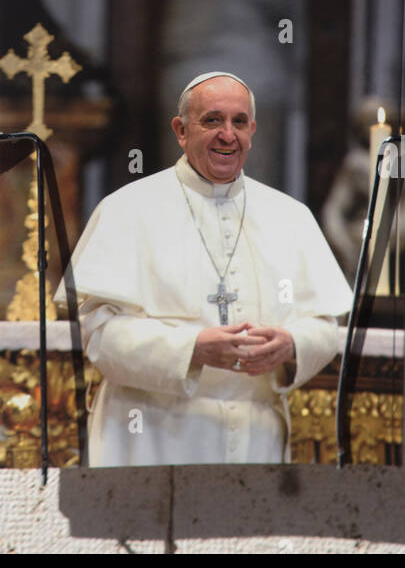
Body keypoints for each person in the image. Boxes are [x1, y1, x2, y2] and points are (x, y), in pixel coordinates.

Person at [57, 72, 353, 466]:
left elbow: (324, 326)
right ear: (181, 130)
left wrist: (292, 344)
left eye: (239, 122)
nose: (227, 135)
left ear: (253, 130)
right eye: (212, 120)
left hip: (256, 437)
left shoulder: (291, 216)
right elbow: (99, 335)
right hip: (150, 435)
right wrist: (193, 348)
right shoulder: (127, 209)